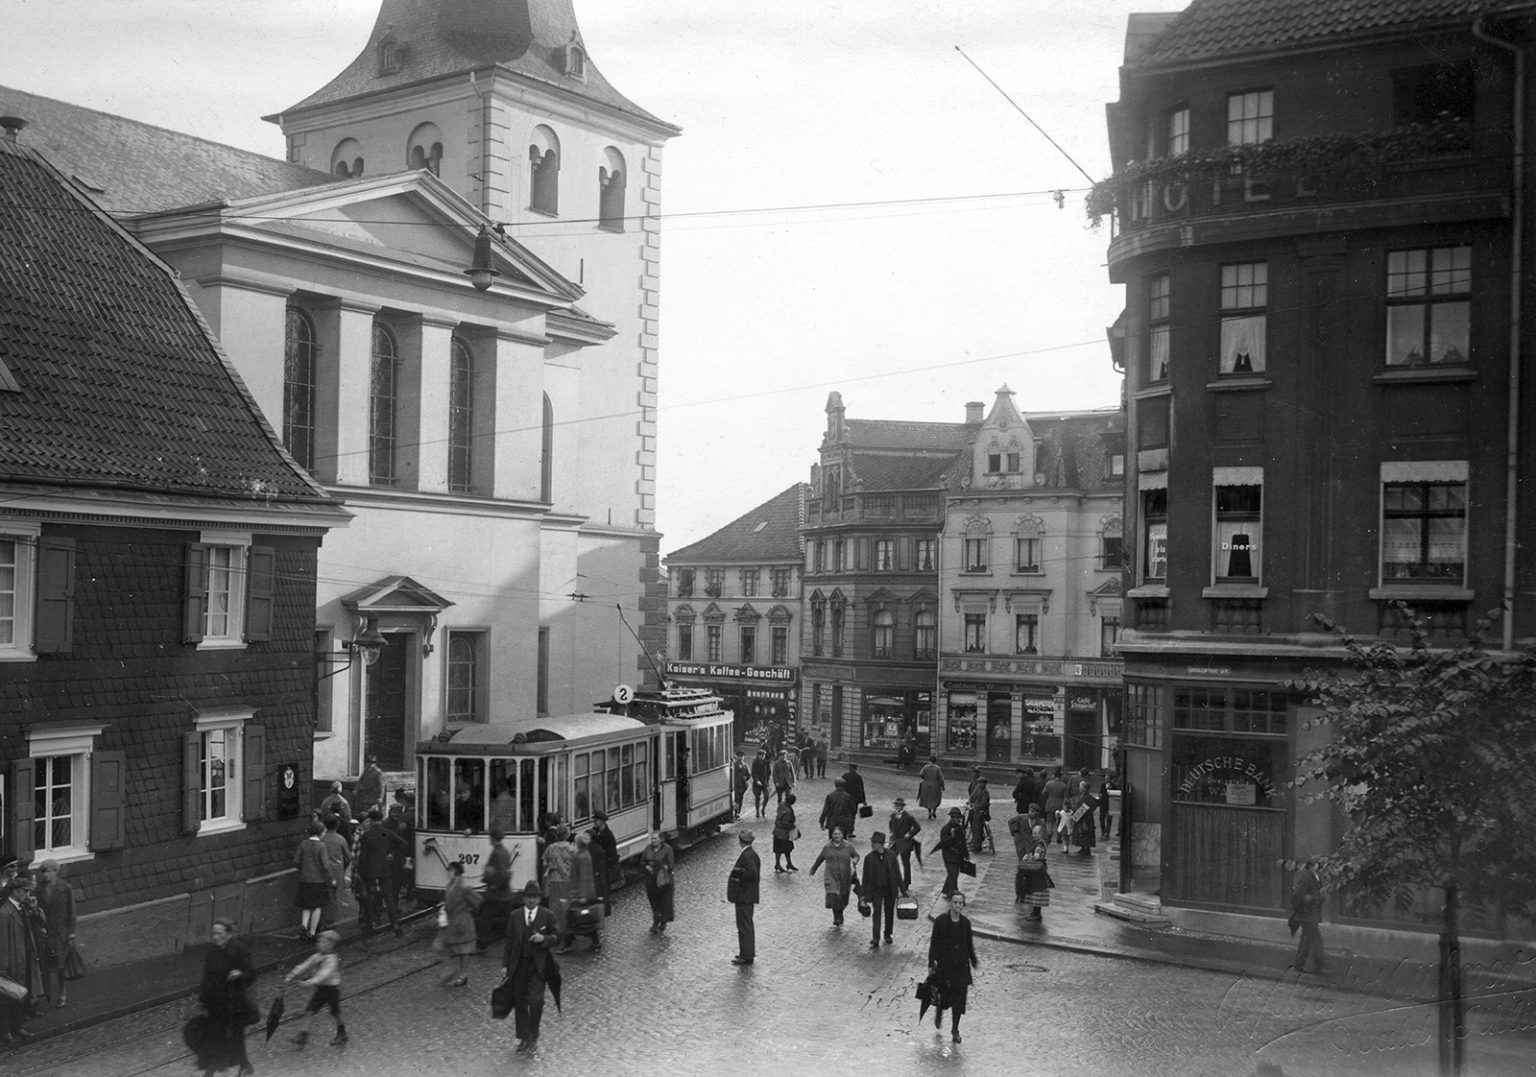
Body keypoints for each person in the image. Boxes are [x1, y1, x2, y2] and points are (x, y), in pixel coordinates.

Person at [190, 918, 255, 1077]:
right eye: (214, 933)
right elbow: (207, 977)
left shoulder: (239, 950)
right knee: (219, 1035)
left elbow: (252, 975)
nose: (215, 937)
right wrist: (202, 1000)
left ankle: (211, 1072)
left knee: (226, 1036)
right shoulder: (212, 951)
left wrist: (239, 974)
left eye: (219, 933)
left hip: (233, 1003)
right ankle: (244, 1064)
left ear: (229, 934)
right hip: (215, 1002)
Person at [501, 880, 559, 1053]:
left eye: (534, 897)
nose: (531, 901)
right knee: (519, 1002)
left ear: (539, 899)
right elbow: (509, 943)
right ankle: (523, 1038)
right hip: (518, 966)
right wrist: (505, 965)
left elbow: (558, 936)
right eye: (528, 897)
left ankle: (533, 1036)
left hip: (538, 966)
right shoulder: (515, 916)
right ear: (524, 898)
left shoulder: (547, 915)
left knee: (535, 1002)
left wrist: (544, 939)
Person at [927, 892, 979, 1044]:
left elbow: (969, 944)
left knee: (959, 1002)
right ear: (950, 904)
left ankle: (955, 1029)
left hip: (961, 968)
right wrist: (931, 962)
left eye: (960, 903)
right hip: (945, 967)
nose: (957, 905)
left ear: (963, 905)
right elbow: (934, 943)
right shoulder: (941, 921)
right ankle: (939, 1012)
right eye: (955, 902)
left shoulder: (965, 923)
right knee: (944, 998)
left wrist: (973, 960)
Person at [284, 929, 346, 1047]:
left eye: (322, 942)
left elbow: (324, 974)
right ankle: (303, 1035)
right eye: (319, 942)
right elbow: (304, 965)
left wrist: (309, 982)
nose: (318, 944)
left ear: (330, 945)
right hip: (321, 989)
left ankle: (342, 1033)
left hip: (332, 989)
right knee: (310, 1011)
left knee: (335, 1012)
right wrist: (291, 975)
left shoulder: (332, 960)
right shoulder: (317, 956)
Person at [0, 872, 41, 1044]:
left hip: (25, 960)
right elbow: (2, 942)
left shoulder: (22, 908)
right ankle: (5, 1031)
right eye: (24, 891)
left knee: (20, 996)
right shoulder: (4, 912)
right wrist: (3, 966)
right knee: (8, 999)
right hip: (12, 962)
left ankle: (18, 1027)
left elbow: (39, 924)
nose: (26, 894)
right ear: (14, 890)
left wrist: (33, 908)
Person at [355, 809, 407, 936]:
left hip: (370, 870)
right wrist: (391, 853)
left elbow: (363, 855)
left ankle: (371, 923)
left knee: (369, 896)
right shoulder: (387, 832)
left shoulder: (367, 835)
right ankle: (395, 924)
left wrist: (359, 870)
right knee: (388, 897)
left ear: (371, 820)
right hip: (384, 868)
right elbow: (403, 843)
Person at [34, 860, 76, 1008]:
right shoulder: (38, 889)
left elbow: (71, 912)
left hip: (61, 933)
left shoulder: (65, 888)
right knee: (45, 965)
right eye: (44, 872)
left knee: (61, 965)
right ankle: (45, 994)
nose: (46, 875)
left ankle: (62, 993)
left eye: (50, 871)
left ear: (55, 872)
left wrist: (71, 933)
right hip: (45, 932)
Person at [559, 833, 603, 954]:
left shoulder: (581, 856)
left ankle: (567, 944)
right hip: (582, 891)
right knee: (583, 919)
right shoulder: (584, 854)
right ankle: (595, 942)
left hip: (579, 892)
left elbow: (584, 877)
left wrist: (582, 895)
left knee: (573, 917)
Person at [809, 826, 860, 927]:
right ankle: (836, 917)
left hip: (845, 877)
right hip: (831, 876)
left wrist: (855, 860)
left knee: (842, 897)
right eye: (835, 834)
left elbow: (856, 855)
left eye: (839, 834)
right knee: (834, 896)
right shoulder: (827, 847)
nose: (837, 836)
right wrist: (814, 868)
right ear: (832, 835)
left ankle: (840, 914)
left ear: (842, 835)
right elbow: (820, 858)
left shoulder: (848, 846)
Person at [476, 828, 517, 948]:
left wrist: (493, 882)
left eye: (490, 837)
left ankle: (482, 945)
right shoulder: (504, 851)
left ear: (493, 838)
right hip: (504, 894)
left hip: (497, 893)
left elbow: (502, 873)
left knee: (485, 919)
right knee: (509, 919)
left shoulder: (497, 853)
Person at [293, 821, 333, 942]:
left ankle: (303, 926)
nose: (325, 834)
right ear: (320, 833)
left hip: (304, 880)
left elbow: (296, 861)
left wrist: (302, 869)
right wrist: (331, 878)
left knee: (306, 906)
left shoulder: (304, 843)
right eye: (324, 832)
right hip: (318, 880)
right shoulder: (321, 846)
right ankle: (312, 932)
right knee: (317, 906)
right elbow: (325, 865)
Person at [860, 832, 901, 947]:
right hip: (876, 889)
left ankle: (888, 934)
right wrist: (863, 895)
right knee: (876, 912)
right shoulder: (869, 858)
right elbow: (865, 878)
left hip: (889, 888)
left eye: (874, 842)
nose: (872, 844)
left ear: (881, 844)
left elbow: (897, 874)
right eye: (872, 842)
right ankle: (875, 938)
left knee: (889, 912)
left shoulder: (891, 855)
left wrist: (902, 889)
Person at [728, 830, 760, 966]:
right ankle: (747, 953)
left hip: (744, 896)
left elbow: (751, 873)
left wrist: (739, 882)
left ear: (741, 841)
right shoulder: (751, 854)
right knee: (746, 925)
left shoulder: (747, 855)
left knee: (744, 926)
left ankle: (746, 955)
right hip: (747, 896)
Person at [1291, 861, 1327, 974]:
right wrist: (1312, 900)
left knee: (1306, 940)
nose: (1320, 866)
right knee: (1317, 940)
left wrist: (1320, 896)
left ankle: (1299, 964)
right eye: (1318, 863)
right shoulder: (1306, 875)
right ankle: (1319, 967)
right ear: (1313, 865)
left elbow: (1316, 894)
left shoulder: (1316, 876)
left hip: (1312, 914)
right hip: (1307, 914)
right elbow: (1299, 893)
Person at [541, 826, 575, 940]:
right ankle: (566, 930)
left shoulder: (551, 848)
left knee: (554, 906)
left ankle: (555, 930)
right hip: (568, 880)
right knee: (566, 906)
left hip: (554, 880)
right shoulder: (572, 849)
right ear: (567, 835)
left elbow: (544, 863)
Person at [318, 815, 352, 931]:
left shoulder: (321, 839)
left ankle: (322, 921)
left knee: (324, 896)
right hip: (337, 870)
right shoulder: (341, 839)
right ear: (337, 825)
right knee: (336, 896)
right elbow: (348, 857)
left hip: (322, 871)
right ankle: (331, 922)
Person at [640, 830, 675, 934]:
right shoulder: (648, 848)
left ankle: (662, 921)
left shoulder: (668, 849)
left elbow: (671, 865)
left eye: (655, 838)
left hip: (663, 881)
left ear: (661, 839)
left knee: (664, 901)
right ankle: (656, 920)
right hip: (650, 880)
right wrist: (646, 866)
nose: (653, 840)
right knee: (653, 901)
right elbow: (642, 861)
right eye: (652, 838)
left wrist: (661, 867)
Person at [933, 807, 971, 898]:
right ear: (952, 818)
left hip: (958, 857)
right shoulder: (945, 829)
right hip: (949, 857)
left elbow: (963, 842)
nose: (958, 820)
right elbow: (944, 843)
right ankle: (954, 895)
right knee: (953, 875)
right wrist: (952, 836)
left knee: (952, 874)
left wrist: (966, 854)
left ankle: (946, 890)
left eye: (959, 818)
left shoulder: (960, 828)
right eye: (956, 818)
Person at [888, 798, 922, 896]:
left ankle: (906, 883)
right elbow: (891, 825)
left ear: (902, 806)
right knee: (891, 861)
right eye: (896, 805)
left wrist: (909, 834)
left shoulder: (908, 817)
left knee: (906, 863)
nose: (897, 807)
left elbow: (917, 827)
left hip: (905, 843)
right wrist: (892, 834)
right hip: (895, 842)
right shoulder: (893, 816)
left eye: (899, 805)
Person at [1017, 824, 1051, 921]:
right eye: (1033, 833)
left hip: (1038, 870)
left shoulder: (1040, 844)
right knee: (1036, 891)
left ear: (1041, 834)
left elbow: (1037, 856)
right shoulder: (1039, 843)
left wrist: (1028, 857)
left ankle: (1036, 914)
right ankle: (1035, 913)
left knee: (1037, 892)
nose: (1033, 835)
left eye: (1036, 833)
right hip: (1038, 870)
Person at [588, 811, 619, 915]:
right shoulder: (597, 832)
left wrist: (607, 864)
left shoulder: (608, 835)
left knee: (604, 888)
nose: (594, 822)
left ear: (601, 822)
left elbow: (612, 854)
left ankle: (605, 910)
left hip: (604, 866)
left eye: (596, 820)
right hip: (599, 866)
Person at [1040, 768, 1068, 847]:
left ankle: (1049, 836)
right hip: (1059, 805)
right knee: (1059, 822)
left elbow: (1044, 793)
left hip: (1050, 804)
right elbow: (1065, 797)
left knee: (1049, 822)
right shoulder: (1063, 785)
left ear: (1054, 776)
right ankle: (1058, 838)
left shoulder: (1049, 784)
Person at [773, 793, 800, 873]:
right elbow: (786, 823)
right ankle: (781, 864)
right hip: (784, 833)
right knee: (785, 849)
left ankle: (785, 863)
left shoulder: (781, 805)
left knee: (779, 850)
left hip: (777, 831)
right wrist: (793, 827)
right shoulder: (788, 811)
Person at [1070, 782, 1098, 855]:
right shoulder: (1080, 796)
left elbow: (1091, 806)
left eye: (1080, 787)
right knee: (1080, 833)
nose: (1079, 788)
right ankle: (1082, 847)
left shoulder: (1088, 797)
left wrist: (1077, 816)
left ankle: (1087, 848)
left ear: (1085, 788)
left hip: (1086, 819)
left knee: (1085, 832)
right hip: (1080, 817)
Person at [840, 763, 867, 835]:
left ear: (850, 768)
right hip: (855, 799)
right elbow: (861, 789)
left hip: (845, 798)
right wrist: (864, 800)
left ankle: (845, 829)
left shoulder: (845, 776)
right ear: (855, 768)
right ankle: (850, 830)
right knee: (852, 815)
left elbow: (841, 787)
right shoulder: (858, 777)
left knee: (845, 814)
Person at [966, 776, 991, 852]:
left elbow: (984, 804)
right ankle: (974, 842)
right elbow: (972, 798)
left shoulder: (985, 792)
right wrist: (970, 802)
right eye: (979, 783)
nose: (981, 784)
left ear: (985, 784)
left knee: (977, 829)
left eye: (982, 783)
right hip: (975, 811)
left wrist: (975, 806)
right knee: (973, 827)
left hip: (981, 813)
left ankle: (977, 846)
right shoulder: (978, 790)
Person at [750, 749, 772, 818]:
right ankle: (757, 812)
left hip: (764, 782)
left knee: (766, 796)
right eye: (761, 755)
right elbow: (753, 773)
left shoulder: (766, 763)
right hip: (757, 783)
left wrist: (767, 779)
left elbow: (769, 772)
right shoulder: (755, 763)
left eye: (763, 755)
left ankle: (763, 809)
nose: (762, 756)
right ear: (758, 755)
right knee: (757, 797)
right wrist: (756, 780)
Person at [731, 750, 751, 821]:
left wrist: (746, 778)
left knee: (741, 800)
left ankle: (738, 812)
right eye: (740, 756)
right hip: (735, 786)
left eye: (742, 756)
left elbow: (749, 775)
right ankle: (736, 813)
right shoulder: (734, 765)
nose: (741, 758)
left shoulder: (745, 766)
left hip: (742, 786)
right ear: (737, 757)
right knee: (736, 800)